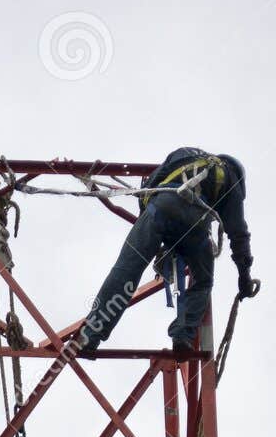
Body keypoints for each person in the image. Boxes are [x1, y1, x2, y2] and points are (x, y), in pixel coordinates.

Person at [77, 150, 260, 357]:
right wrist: (244, 276)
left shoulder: (183, 154)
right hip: (196, 224)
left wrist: (151, 236)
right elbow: (238, 234)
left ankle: (90, 335)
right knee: (203, 282)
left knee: (127, 269)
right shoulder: (230, 177)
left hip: (162, 206)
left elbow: (150, 186)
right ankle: (183, 336)